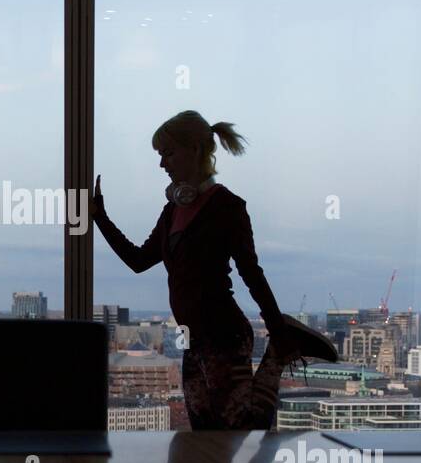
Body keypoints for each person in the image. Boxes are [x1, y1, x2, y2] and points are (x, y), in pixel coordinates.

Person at [90, 110, 299, 430]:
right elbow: (138, 260)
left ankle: (275, 358)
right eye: (161, 156)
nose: (162, 164)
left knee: (239, 428)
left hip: (224, 336)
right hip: (193, 340)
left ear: (196, 150)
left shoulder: (227, 207)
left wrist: (278, 330)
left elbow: (250, 273)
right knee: (203, 433)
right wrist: (100, 218)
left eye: (169, 154)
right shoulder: (173, 210)